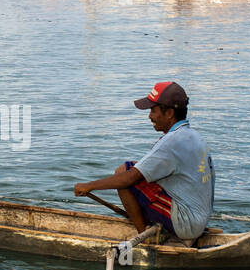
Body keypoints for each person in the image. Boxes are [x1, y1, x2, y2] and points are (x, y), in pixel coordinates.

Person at [73, 81, 214, 240]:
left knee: (124, 173)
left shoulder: (171, 143)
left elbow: (129, 177)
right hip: (200, 218)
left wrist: (89, 186)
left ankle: (144, 235)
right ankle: (152, 223)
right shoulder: (193, 135)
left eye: (153, 111)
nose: (150, 116)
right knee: (133, 169)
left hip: (186, 225)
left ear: (169, 113)